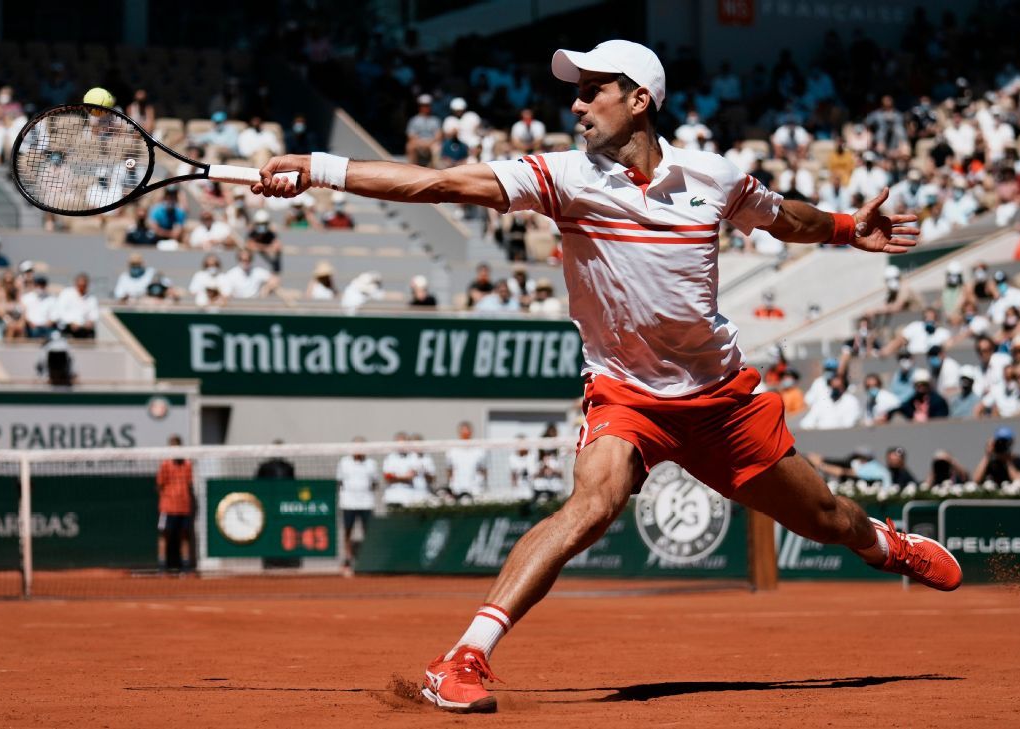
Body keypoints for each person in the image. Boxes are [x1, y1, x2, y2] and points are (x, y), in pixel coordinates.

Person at [250, 39, 958, 713]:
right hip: (626, 393)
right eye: (577, 94)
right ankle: (463, 658)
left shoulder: (713, 178)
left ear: (640, 100)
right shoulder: (564, 176)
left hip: (720, 399)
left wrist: (841, 227)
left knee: (830, 519)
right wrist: (316, 167)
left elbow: (781, 218)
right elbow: (438, 180)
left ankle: (885, 544)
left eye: (593, 92)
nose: (578, 106)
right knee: (594, 502)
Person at [336, 436, 379, 573]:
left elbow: (375, 482)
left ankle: (368, 558)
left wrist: (364, 491)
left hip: (366, 502)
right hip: (348, 503)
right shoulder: (344, 462)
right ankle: (348, 558)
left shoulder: (371, 463)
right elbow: (340, 481)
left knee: (368, 531)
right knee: (348, 530)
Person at [155, 435, 194, 573]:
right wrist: (167, 497)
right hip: (167, 507)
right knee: (164, 535)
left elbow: (190, 484)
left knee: (184, 536)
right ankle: (162, 566)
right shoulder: (165, 464)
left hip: (184, 507)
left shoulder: (187, 464)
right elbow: (159, 484)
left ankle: (185, 566)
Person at [444, 421, 486, 502]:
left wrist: (481, 483)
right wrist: (451, 485)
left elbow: (483, 470)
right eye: (463, 431)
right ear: (459, 433)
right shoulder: (452, 451)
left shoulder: (479, 451)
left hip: (474, 490)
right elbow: (449, 470)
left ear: (471, 432)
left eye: (467, 431)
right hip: (457, 490)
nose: (465, 434)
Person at [56, 273, 99, 339]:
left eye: (84, 286)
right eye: (80, 285)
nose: (81, 288)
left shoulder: (92, 298)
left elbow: (94, 315)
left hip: (84, 328)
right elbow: (60, 312)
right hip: (68, 327)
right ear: (75, 284)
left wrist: (90, 322)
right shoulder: (66, 293)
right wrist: (71, 322)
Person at [406, 95, 441, 166]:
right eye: (423, 105)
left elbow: (438, 135)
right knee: (410, 146)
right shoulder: (414, 120)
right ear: (420, 106)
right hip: (418, 142)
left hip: (431, 143)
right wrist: (421, 143)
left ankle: (434, 171)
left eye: (427, 105)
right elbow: (411, 136)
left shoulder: (435, 120)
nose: (426, 107)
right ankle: (412, 169)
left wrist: (429, 143)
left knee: (437, 148)